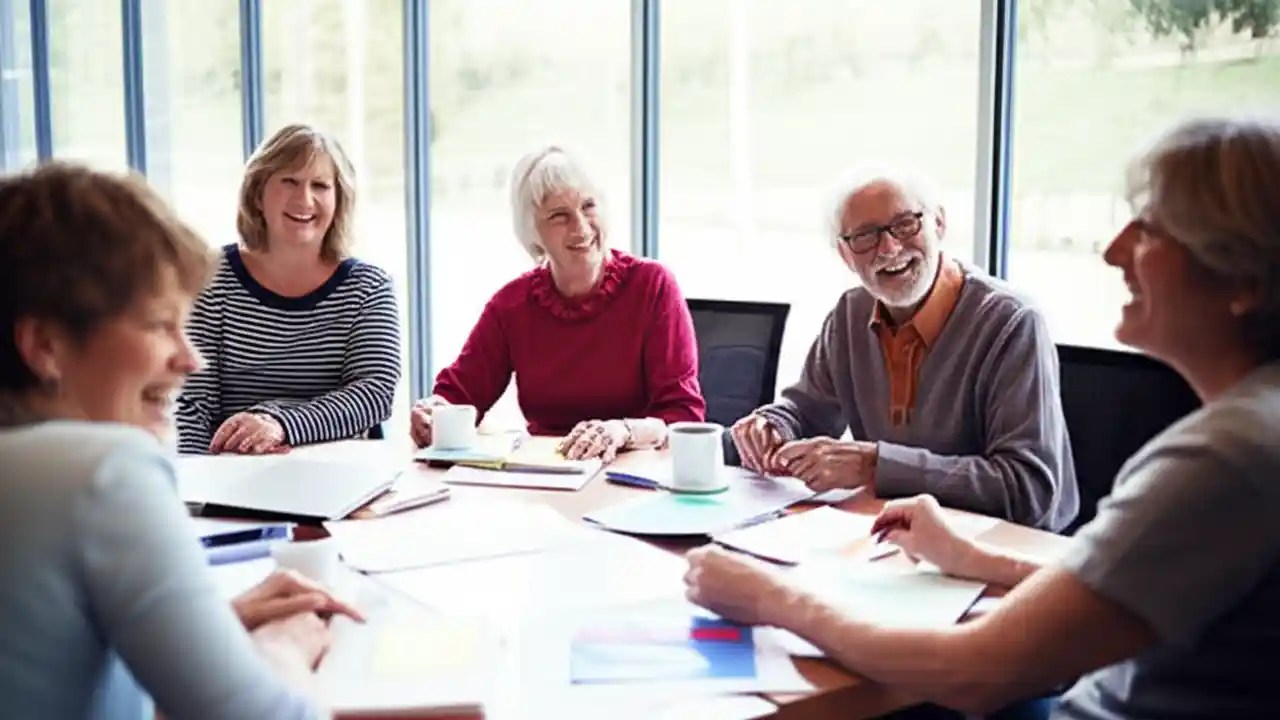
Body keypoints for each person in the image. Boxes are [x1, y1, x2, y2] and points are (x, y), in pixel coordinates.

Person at [686, 116, 1280, 718]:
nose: (1111, 251)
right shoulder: (1249, 429)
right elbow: (1115, 579)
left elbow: (971, 673)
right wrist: (972, 557)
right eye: (865, 237)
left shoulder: (1225, 458)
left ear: (1243, 279)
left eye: (1150, 229)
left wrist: (773, 600)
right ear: (845, 253)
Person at [0, 163, 363, 718]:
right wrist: (280, 649)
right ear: (45, 345)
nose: (191, 359)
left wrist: (204, 626)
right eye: (158, 324)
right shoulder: (100, 473)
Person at [731, 167, 1078, 530]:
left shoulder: (1011, 322)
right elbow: (807, 412)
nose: (889, 248)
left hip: (1002, 546)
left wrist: (874, 466)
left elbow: (1029, 490)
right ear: (845, 254)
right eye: (865, 236)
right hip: (895, 536)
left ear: (939, 224)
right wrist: (772, 426)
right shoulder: (850, 314)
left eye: (905, 224)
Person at [410, 145, 705, 462]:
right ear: (532, 232)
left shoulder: (653, 285)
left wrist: (623, 430)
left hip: (635, 470)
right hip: (548, 472)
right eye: (559, 216)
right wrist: (433, 412)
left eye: (588, 206)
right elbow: (460, 394)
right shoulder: (511, 306)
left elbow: (684, 416)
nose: (581, 228)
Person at [176, 123, 401, 455]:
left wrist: (281, 425)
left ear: (339, 201)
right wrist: (195, 478)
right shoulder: (210, 279)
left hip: (336, 472)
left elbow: (373, 394)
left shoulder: (369, 287)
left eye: (320, 185)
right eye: (289, 182)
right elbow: (190, 404)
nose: (304, 199)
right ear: (258, 194)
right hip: (230, 470)